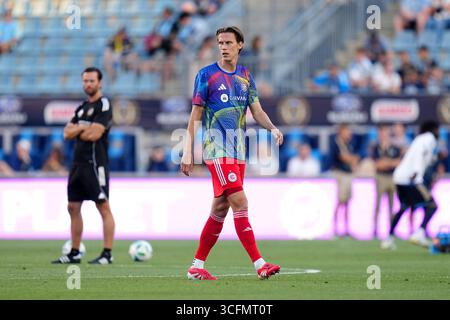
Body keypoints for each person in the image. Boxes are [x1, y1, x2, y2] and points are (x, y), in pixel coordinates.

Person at [181, 26, 283, 280]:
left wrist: (272, 128)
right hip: (217, 149)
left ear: (240, 45)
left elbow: (256, 110)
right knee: (241, 202)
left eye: (228, 42)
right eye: (220, 43)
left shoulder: (245, 76)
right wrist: (187, 152)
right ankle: (260, 264)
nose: (223, 46)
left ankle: (197, 266)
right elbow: (195, 115)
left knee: (220, 208)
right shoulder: (206, 75)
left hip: (238, 151)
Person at [52, 67, 115, 264]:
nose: (88, 84)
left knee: (102, 205)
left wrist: (79, 128)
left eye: (91, 81)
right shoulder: (81, 107)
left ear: (100, 83)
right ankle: (75, 252)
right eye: (85, 81)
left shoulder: (103, 104)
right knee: (73, 206)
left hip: (95, 164)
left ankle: (107, 253)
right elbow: (66, 133)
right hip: (77, 164)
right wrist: (83, 127)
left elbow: (95, 134)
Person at [381, 120, 440, 250]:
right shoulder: (429, 138)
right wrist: (418, 177)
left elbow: (425, 157)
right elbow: (420, 156)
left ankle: (388, 238)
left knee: (404, 207)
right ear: (434, 130)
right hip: (411, 178)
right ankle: (419, 232)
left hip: (399, 177)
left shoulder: (419, 139)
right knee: (433, 205)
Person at [371, 125, 402, 239]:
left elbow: (398, 162)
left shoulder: (395, 147)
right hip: (380, 177)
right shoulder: (375, 148)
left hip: (392, 177)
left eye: (385, 131)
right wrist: (389, 162)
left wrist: (386, 162)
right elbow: (377, 164)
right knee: (378, 205)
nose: (383, 134)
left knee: (392, 205)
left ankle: (391, 229)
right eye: (381, 132)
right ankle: (374, 229)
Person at [330, 124, 359, 238]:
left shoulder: (348, 144)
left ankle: (346, 228)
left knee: (347, 202)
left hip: (348, 174)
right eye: (347, 131)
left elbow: (353, 159)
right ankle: (335, 228)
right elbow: (344, 157)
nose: (349, 133)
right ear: (341, 131)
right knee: (340, 201)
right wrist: (352, 159)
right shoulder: (337, 143)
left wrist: (352, 160)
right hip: (341, 174)